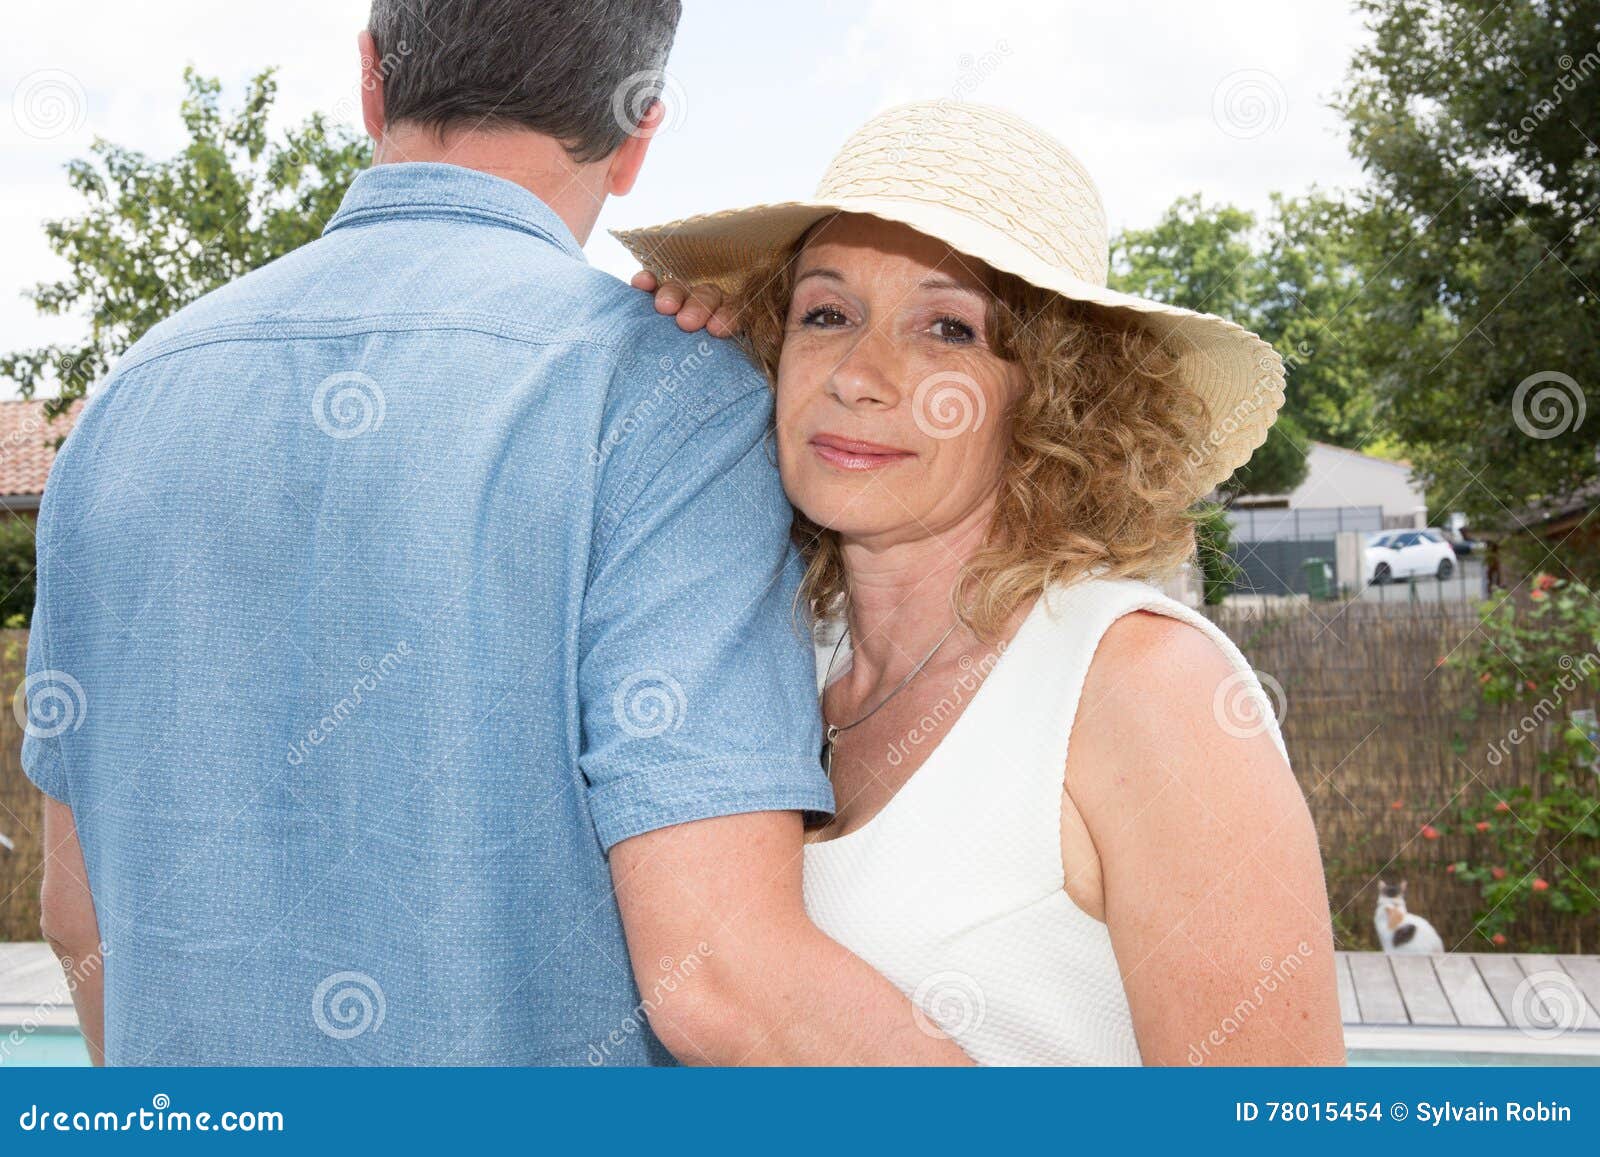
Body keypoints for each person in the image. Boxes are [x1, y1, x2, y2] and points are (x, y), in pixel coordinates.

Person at [24, 1, 969, 1066]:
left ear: (372, 81)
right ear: (640, 133)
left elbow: (77, 914)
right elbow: (719, 975)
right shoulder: (667, 397)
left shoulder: (127, 405)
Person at [619, 100, 1347, 1065]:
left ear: (1052, 395)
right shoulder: (775, 663)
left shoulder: (1143, 686)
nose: (857, 375)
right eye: (825, 314)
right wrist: (680, 380)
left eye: (948, 330)